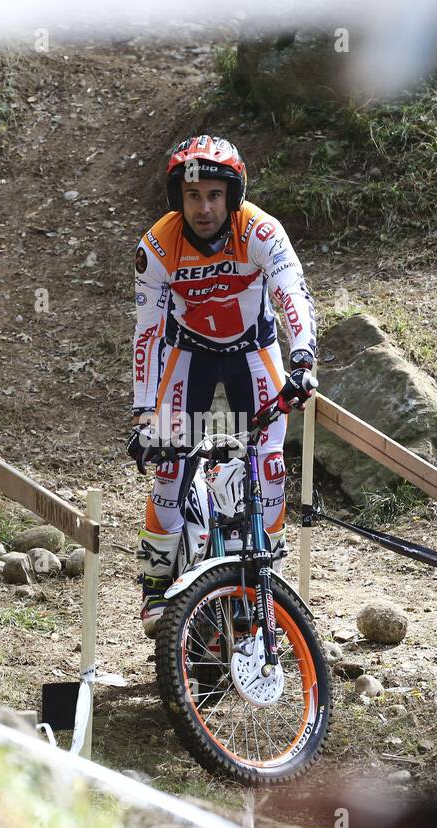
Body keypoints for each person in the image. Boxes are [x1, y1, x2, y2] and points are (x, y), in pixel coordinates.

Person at [129, 135, 318, 633]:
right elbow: (147, 329)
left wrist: (302, 359)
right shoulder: (156, 246)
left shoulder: (260, 230)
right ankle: (155, 586)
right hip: (188, 354)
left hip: (253, 352)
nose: (204, 208)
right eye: (193, 196)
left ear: (232, 196)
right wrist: (144, 412)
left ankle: (265, 578)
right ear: (178, 199)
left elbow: (290, 290)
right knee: (170, 464)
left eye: (214, 195)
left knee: (270, 465)